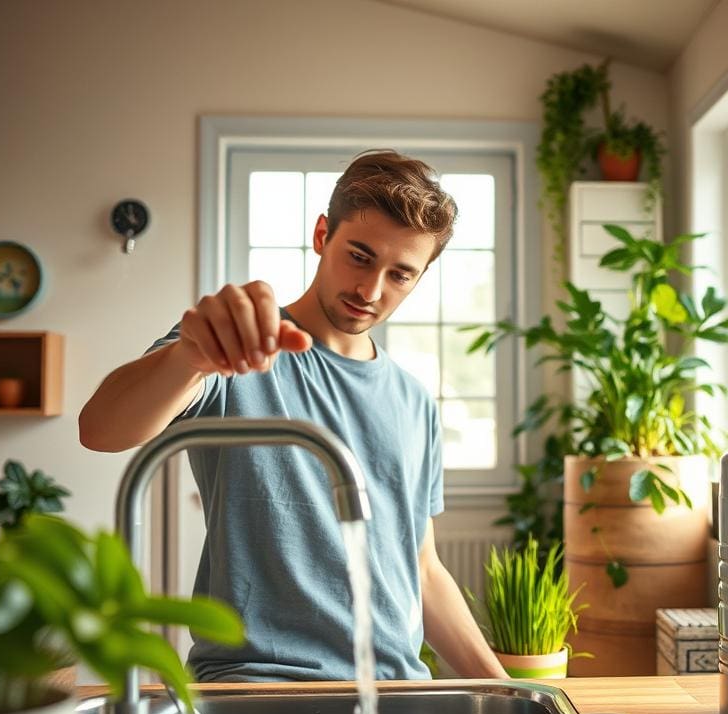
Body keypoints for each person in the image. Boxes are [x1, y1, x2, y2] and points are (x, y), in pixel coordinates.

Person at [79, 150, 507, 682]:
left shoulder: (414, 402)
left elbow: (421, 569)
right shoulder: (233, 347)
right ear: (323, 234)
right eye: (359, 256)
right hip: (257, 688)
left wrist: (513, 696)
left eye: (400, 274)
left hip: (395, 692)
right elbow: (100, 430)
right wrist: (188, 357)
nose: (371, 291)